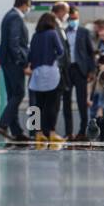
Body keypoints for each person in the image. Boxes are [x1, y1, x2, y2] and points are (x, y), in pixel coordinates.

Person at [27, 12, 67, 147]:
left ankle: (38, 133)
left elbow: (30, 55)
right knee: (52, 104)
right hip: (51, 72)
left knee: (38, 104)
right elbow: (61, 51)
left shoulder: (35, 36)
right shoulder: (52, 33)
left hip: (37, 73)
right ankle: (51, 132)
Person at [0, 0, 31, 143]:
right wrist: (21, 62)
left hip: (7, 61)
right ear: (24, 4)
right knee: (19, 94)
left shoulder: (8, 15)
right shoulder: (15, 17)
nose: (29, 9)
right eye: (29, 6)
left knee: (12, 96)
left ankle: (16, 132)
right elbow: (14, 42)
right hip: (13, 62)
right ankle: (2, 125)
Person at [67, 7, 96, 141]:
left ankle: (82, 131)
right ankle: (69, 132)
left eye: (75, 18)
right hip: (67, 70)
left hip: (81, 70)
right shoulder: (63, 32)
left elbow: (91, 52)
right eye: (71, 19)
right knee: (66, 101)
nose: (74, 21)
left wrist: (92, 70)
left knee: (82, 102)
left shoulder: (84, 32)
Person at [51, 2, 74, 137]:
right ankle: (48, 130)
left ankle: (51, 131)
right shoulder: (53, 27)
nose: (67, 16)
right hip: (57, 71)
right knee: (52, 103)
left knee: (59, 103)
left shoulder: (60, 27)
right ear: (60, 12)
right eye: (66, 12)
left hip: (63, 71)